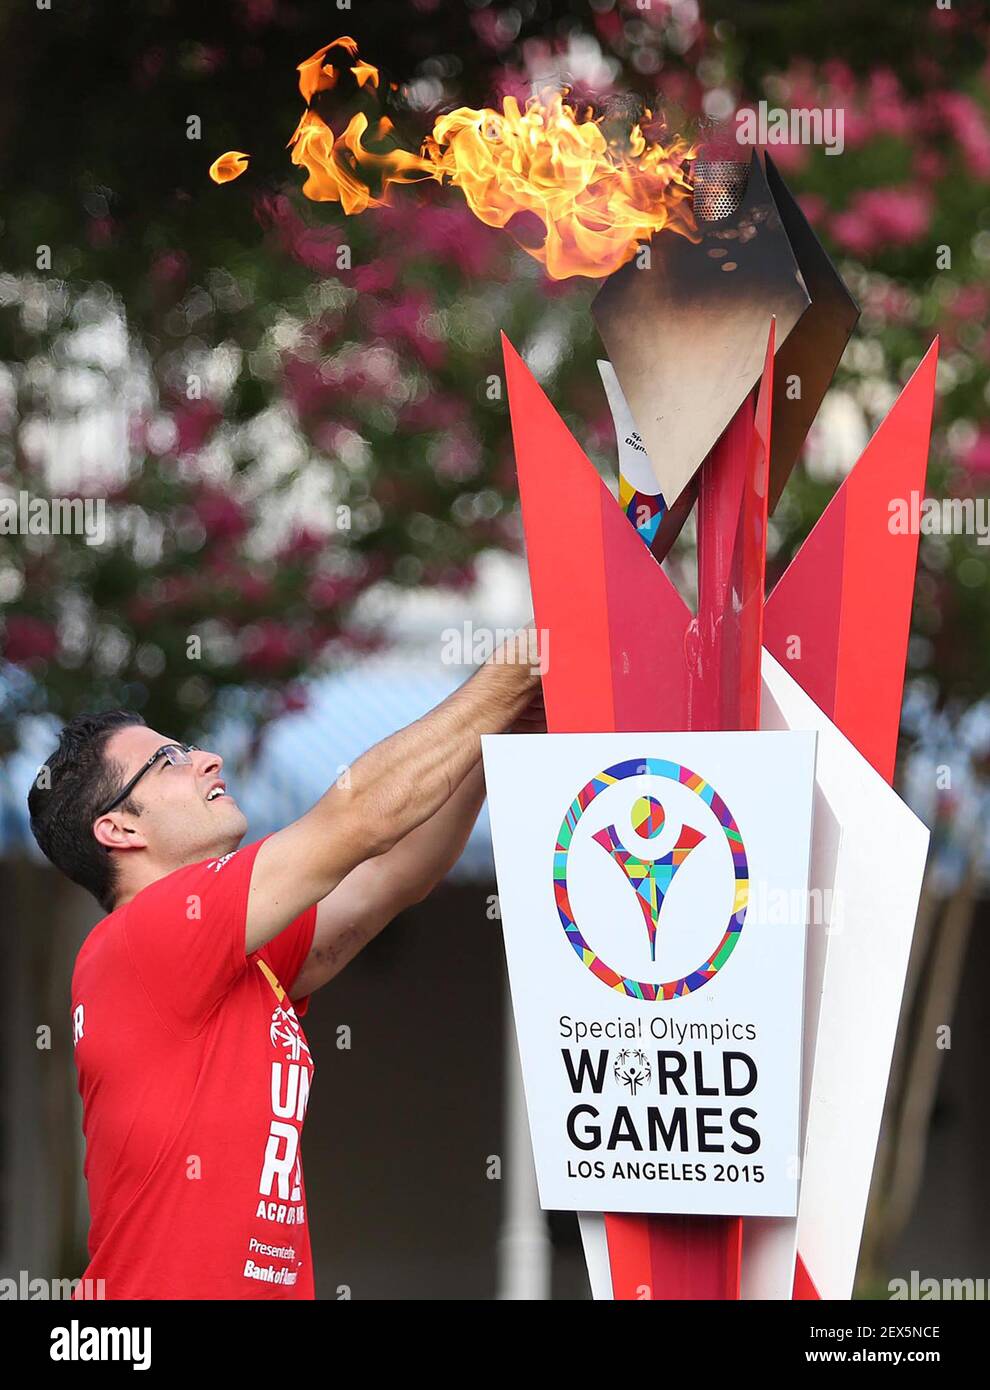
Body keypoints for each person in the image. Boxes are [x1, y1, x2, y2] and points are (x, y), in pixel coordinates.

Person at [27, 628, 544, 1299]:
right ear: (120, 829)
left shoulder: (231, 956)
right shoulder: (147, 933)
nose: (207, 759)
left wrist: (491, 734)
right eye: (169, 761)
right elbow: (357, 818)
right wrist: (505, 677)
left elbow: (391, 874)